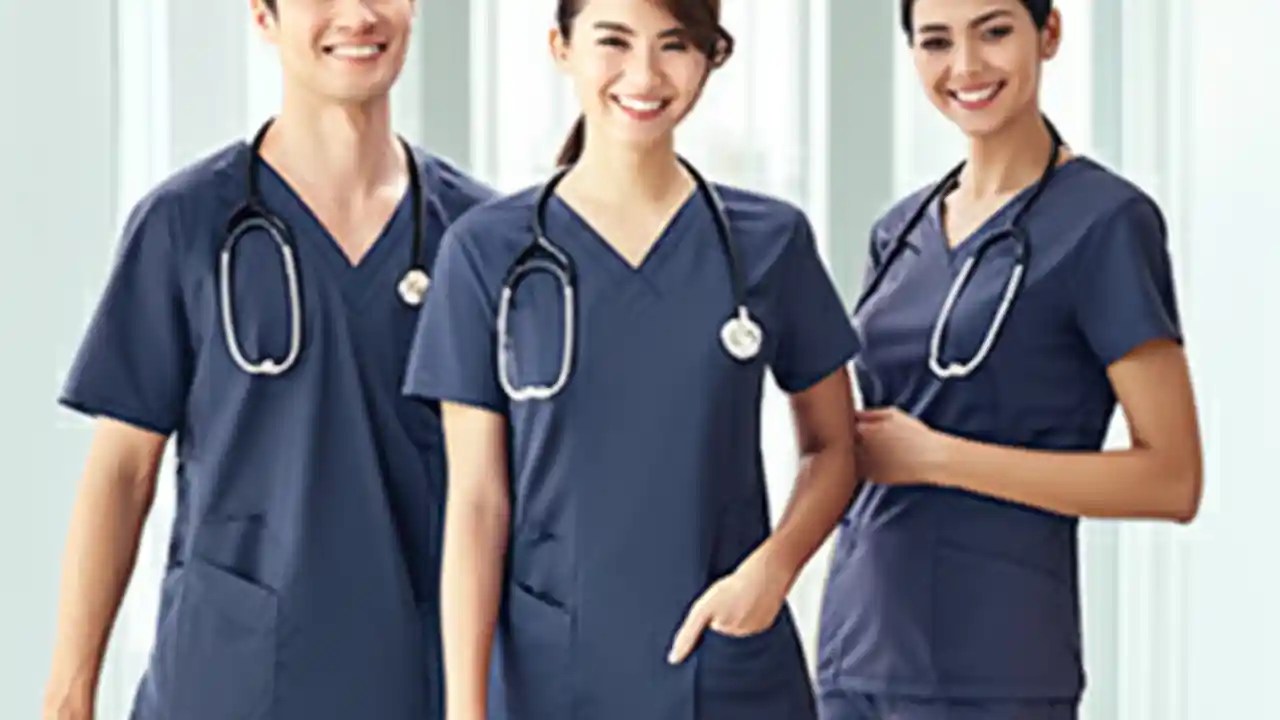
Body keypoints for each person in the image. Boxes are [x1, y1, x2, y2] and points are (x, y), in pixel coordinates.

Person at [401, 0, 860, 718]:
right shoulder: (486, 253)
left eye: (674, 45)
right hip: (554, 674)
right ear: (562, 47)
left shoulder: (770, 243)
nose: (644, 74)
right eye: (613, 41)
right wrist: (464, 711)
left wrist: (772, 572)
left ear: (711, 56)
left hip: (727, 668)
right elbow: (477, 503)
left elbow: (835, 447)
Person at [42, 1, 493, 718]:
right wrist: (69, 696)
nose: (357, 14)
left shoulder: (478, 238)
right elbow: (123, 473)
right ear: (262, 14)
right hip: (226, 680)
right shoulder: (185, 224)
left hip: (413, 679)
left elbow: (517, 488)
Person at [815, 1, 1203, 719]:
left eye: (994, 31)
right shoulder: (898, 230)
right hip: (856, 650)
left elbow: (1171, 478)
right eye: (936, 41)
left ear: (1048, 33)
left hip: (992, 663)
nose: (965, 66)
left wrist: (938, 458)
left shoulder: (1106, 223)